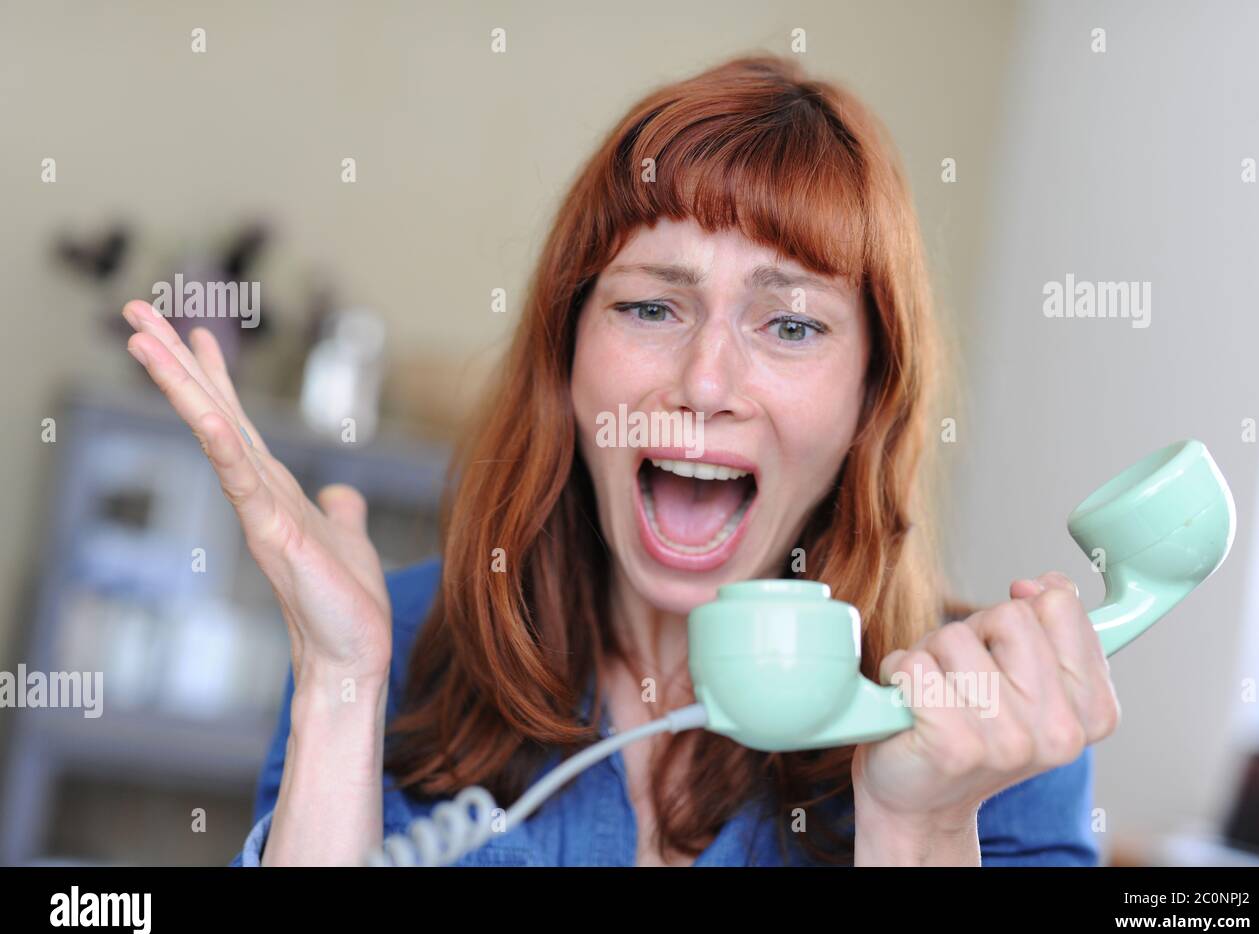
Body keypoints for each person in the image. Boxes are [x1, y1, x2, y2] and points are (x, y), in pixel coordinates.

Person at [119, 53, 1116, 867]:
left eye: (791, 324)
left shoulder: (998, 745)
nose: (704, 380)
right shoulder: (396, 644)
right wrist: (343, 683)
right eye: (649, 306)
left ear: (870, 399)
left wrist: (923, 827)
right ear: (564, 355)